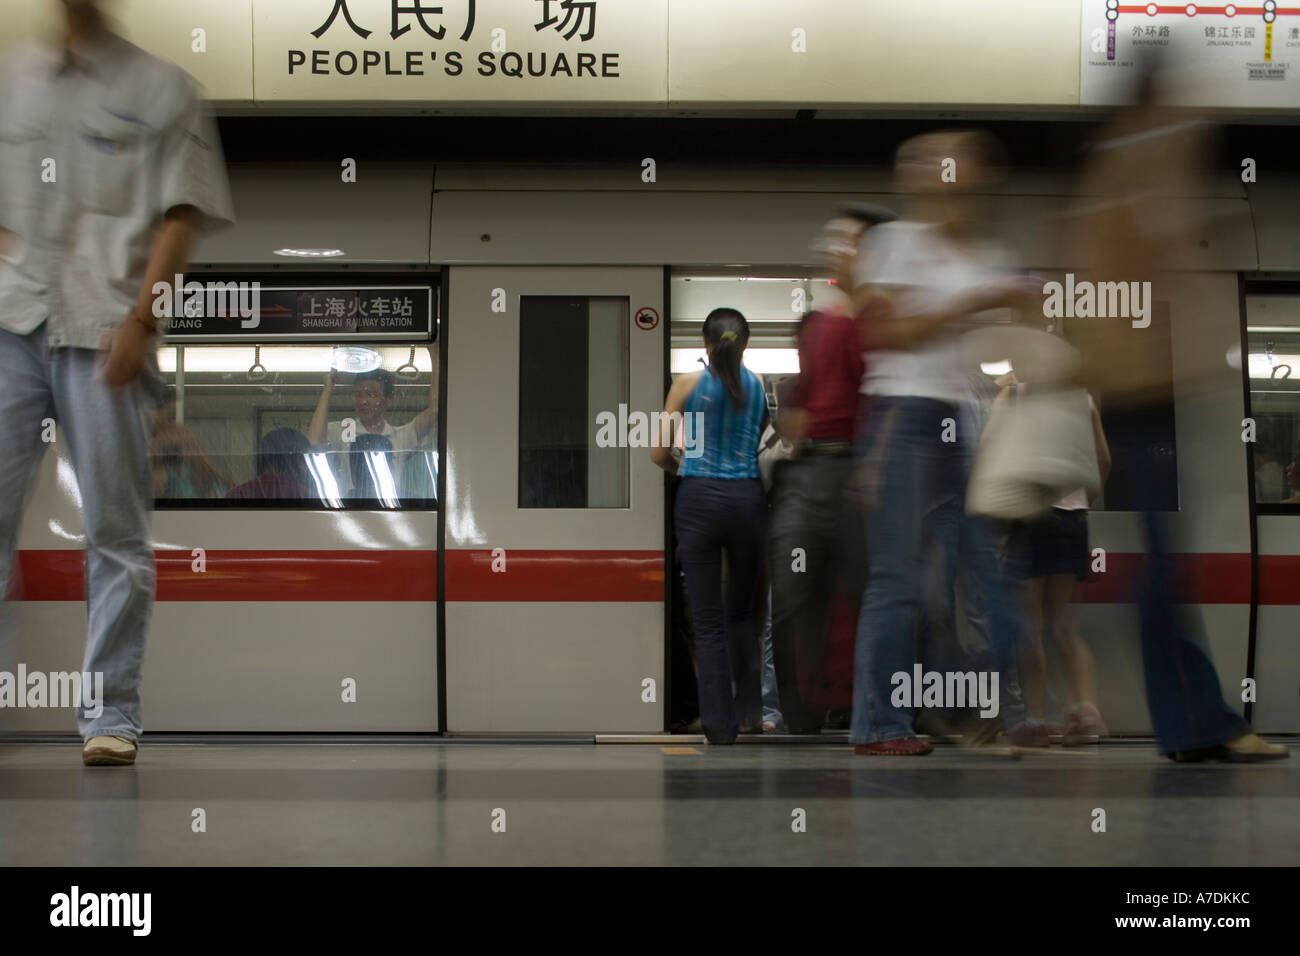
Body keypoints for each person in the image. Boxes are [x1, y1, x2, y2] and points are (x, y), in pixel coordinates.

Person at [0, 0, 234, 766]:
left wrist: (144, 321)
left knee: (117, 534)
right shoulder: (11, 83)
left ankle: (111, 715)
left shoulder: (164, 88)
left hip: (105, 332)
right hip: (9, 326)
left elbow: (183, 215)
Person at [1067, 62, 1286, 762]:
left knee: (1165, 563)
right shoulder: (1138, 165)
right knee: (1164, 566)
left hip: (1143, 387)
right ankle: (1197, 722)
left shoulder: (1117, 168)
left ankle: (1191, 721)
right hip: (1145, 390)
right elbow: (1153, 261)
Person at [848, 130, 1043, 755]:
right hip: (904, 415)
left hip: (960, 419)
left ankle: (985, 711)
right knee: (899, 580)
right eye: (937, 158)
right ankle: (880, 724)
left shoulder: (986, 248)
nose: (952, 168)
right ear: (918, 174)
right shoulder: (893, 243)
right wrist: (983, 297)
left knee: (986, 574)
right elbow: (890, 335)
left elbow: (1002, 344)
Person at [767, 204, 895, 735]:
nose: (837, 247)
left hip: (856, 469)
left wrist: (878, 465)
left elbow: (889, 398)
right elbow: (802, 400)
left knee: (871, 593)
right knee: (794, 595)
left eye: (852, 241)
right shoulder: (815, 322)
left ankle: (878, 714)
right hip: (807, 473)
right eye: (836, 238)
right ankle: (801, 716)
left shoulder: (884, 318)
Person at [652, 308, 768, 744]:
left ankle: (720, 728)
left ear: (705, 343)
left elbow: (658, 453)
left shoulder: (686, 384)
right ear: (745, 343)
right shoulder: (756, 386)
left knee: (707, 622)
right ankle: (753, 715)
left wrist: (688, 466)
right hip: (748, 502)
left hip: (699, 500)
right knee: (741, 614)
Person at [999, 368, 1112, 745]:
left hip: (1031, 517)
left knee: (1029, 626)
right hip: (1073, 518)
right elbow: (1104, 462)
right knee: (1062, 622)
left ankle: (1033, 719)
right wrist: (1081, 504)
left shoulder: (1016, 395)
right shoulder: (1083, 399)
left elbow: (992, 455)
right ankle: (1085, 710)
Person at [306, 350, 436, 498]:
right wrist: (327, 390)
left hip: (388, 510)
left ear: (389, 400)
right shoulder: (345, 431)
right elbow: (314, 441)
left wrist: (435, 354)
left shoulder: (400, 436)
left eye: (371, 394)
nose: (363, 401)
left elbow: (435, 410)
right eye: (358, 394)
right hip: (349, 510)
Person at [225, 428, 313, 500]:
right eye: (304, 458)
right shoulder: (306, 496)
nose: (306, 466)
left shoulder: (237, 493)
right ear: (296, 460)